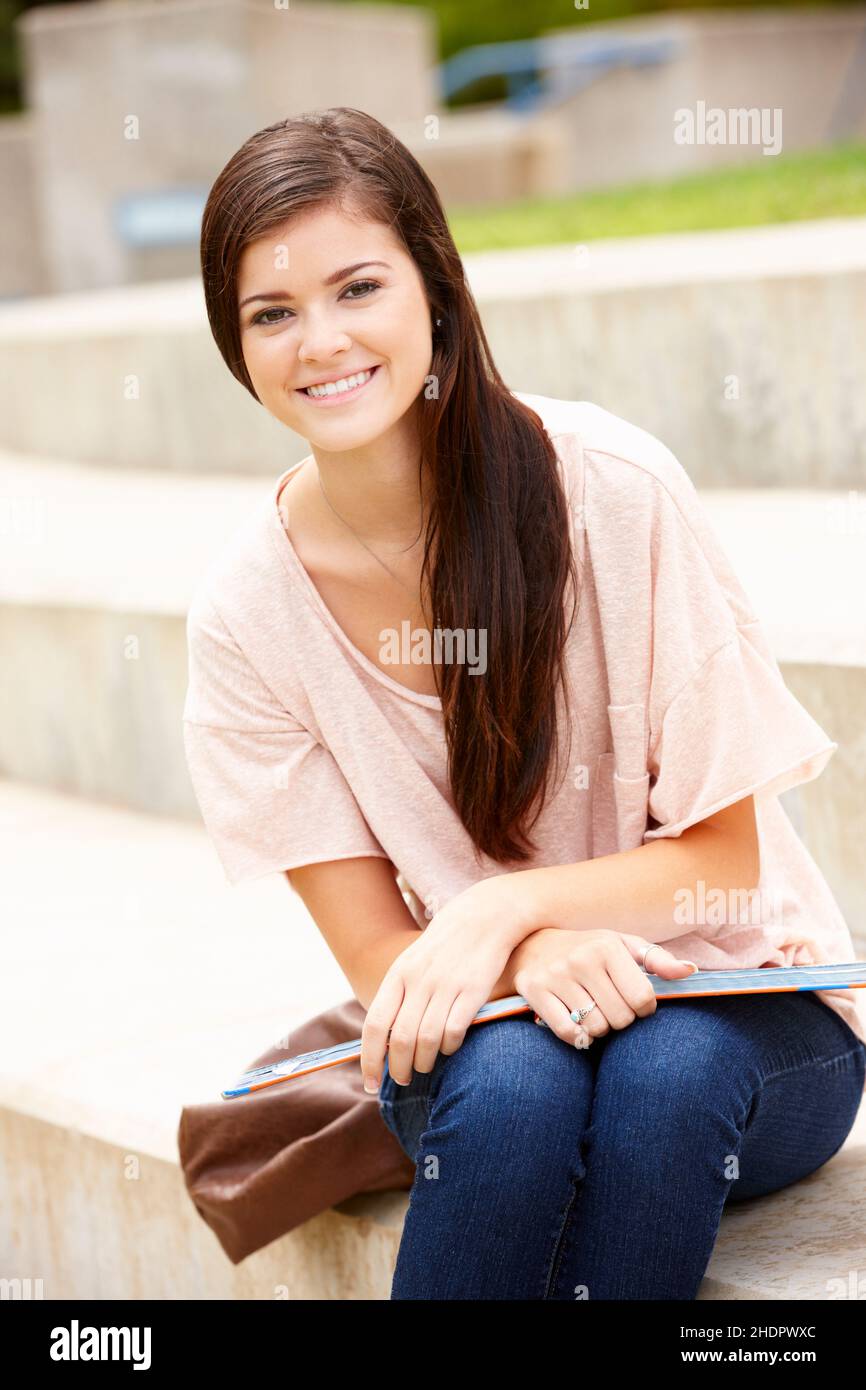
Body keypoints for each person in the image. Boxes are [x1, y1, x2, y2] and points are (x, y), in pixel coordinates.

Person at [185, 106, 866, 1300]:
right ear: (233, 343)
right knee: (512, 1090)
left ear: (433, 292)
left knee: (659, 1077)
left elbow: (724, 861)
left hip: (745, 1008)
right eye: (272, 312)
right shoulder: (247, 616)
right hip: (484, 1030)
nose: (321, 341)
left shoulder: (612, 489)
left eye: (357, 288)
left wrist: (504, 912)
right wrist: (526, 949)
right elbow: (383, 953)